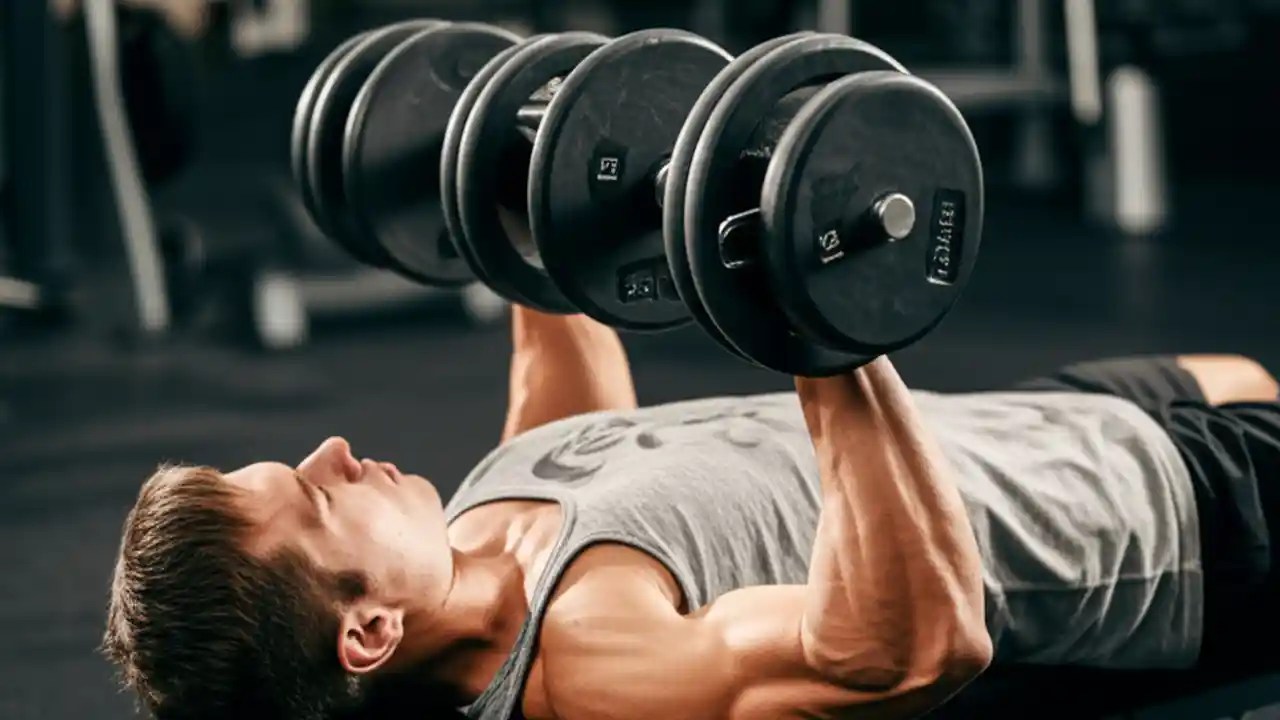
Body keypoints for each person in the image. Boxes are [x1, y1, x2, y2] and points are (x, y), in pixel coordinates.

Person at [101, 306, 1280, 720]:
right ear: (364, 635)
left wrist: (512, 214)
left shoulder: (469, 531)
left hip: (1030, 428)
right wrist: (817, 336)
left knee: (1237, 362)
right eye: (314, 493)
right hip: (1167, 525)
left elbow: (566, 410)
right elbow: (911, 651)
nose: (334, 449)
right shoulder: (593, 659)